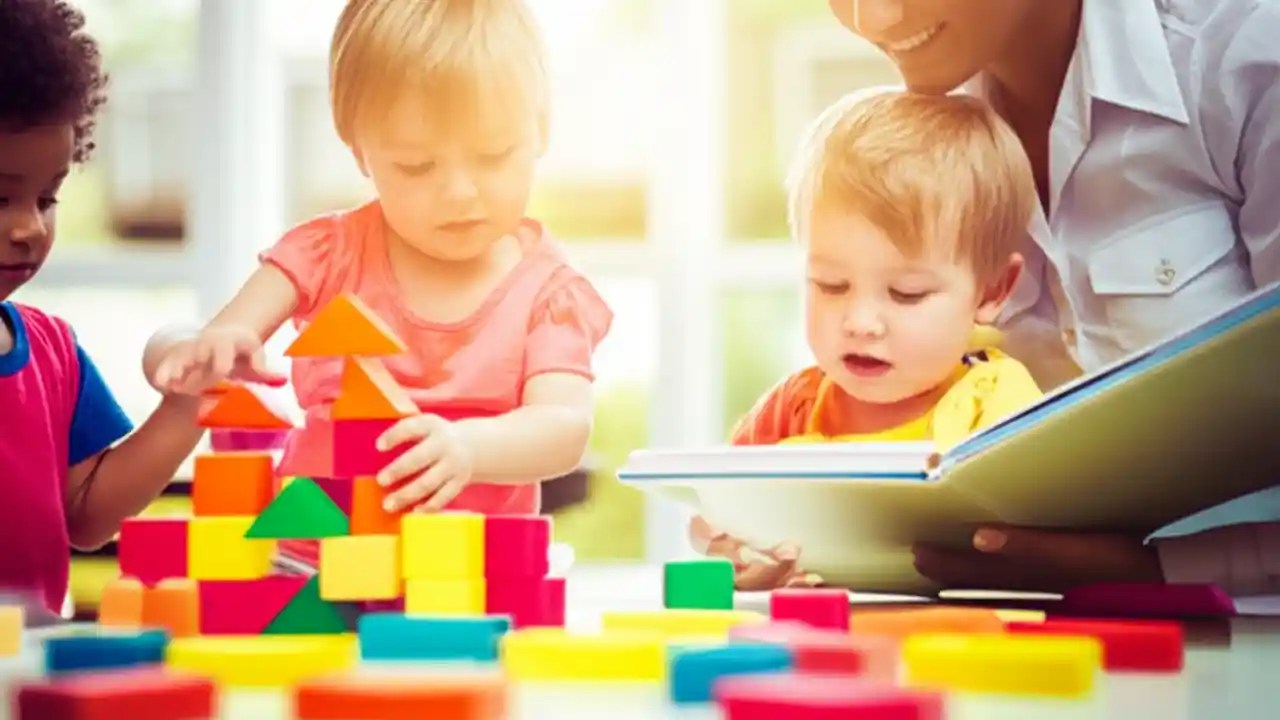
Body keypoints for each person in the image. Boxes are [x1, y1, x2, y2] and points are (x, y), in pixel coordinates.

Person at [827, 0, 1280, 594]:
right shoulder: (913, 140)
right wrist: (808, 542)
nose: (872, 18)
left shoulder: (1244, 60)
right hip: (1031, 642)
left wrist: (1158, 571)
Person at [151, 0, 613, 566]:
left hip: (464, 581)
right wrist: (204, 348)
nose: (460, 192)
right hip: (309, 559)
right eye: (417, 166)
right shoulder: (327, 253)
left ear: (540, 130)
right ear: (360, 152)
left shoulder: (550, 295)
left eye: (492, 157)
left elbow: (563, 428)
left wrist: (468, 447)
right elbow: (219, 336)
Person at [691, 90, 1045, 589]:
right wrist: (735, 553)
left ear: (992, 291)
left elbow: (1039, 545)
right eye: (830, 285)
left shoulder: (999, 404)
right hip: (822, 641)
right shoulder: (792, 409)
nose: (860, 321)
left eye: (906, 293)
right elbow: (719, 524)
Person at [0, 0, 207, 613]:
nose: (27, 228)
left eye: (47, 197)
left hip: (24, 675)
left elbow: (88, 515)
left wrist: (186, 406)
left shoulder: (52, 352)